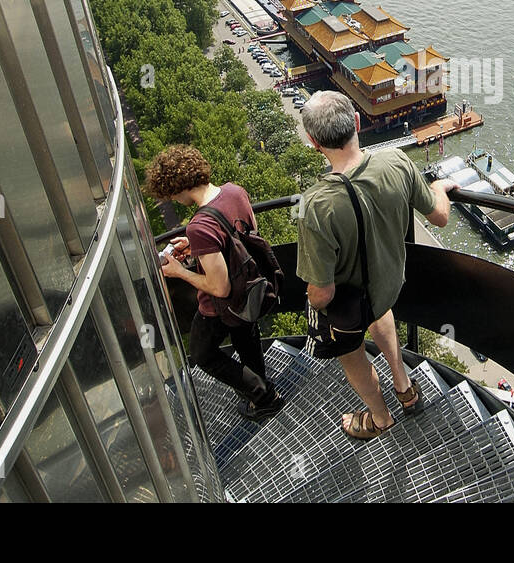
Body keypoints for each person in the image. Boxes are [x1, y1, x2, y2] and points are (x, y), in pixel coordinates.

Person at [296, 91, 452, 440]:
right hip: (389, 286)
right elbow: (439, 216)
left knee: (353, 359)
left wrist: (310, 301)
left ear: (313, 141)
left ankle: (380, 419)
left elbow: (322, 292)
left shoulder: (315, 205)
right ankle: (405, 387)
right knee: (381, 314)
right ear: (356, 121)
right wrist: (439, 188)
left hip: (352, 307)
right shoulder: (397, 162)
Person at [145, 145, 283, 420]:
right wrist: (196, 246)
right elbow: (238, 235)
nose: (172, 198)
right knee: (247, 338)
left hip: (220, 306)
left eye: (170, 193)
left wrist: (179, 272)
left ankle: (263, 395)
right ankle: (262, 391)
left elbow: (219, 288)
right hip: (251, 288)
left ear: (177, 186)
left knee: (203, 355)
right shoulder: (234, 191)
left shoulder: (200, 226)